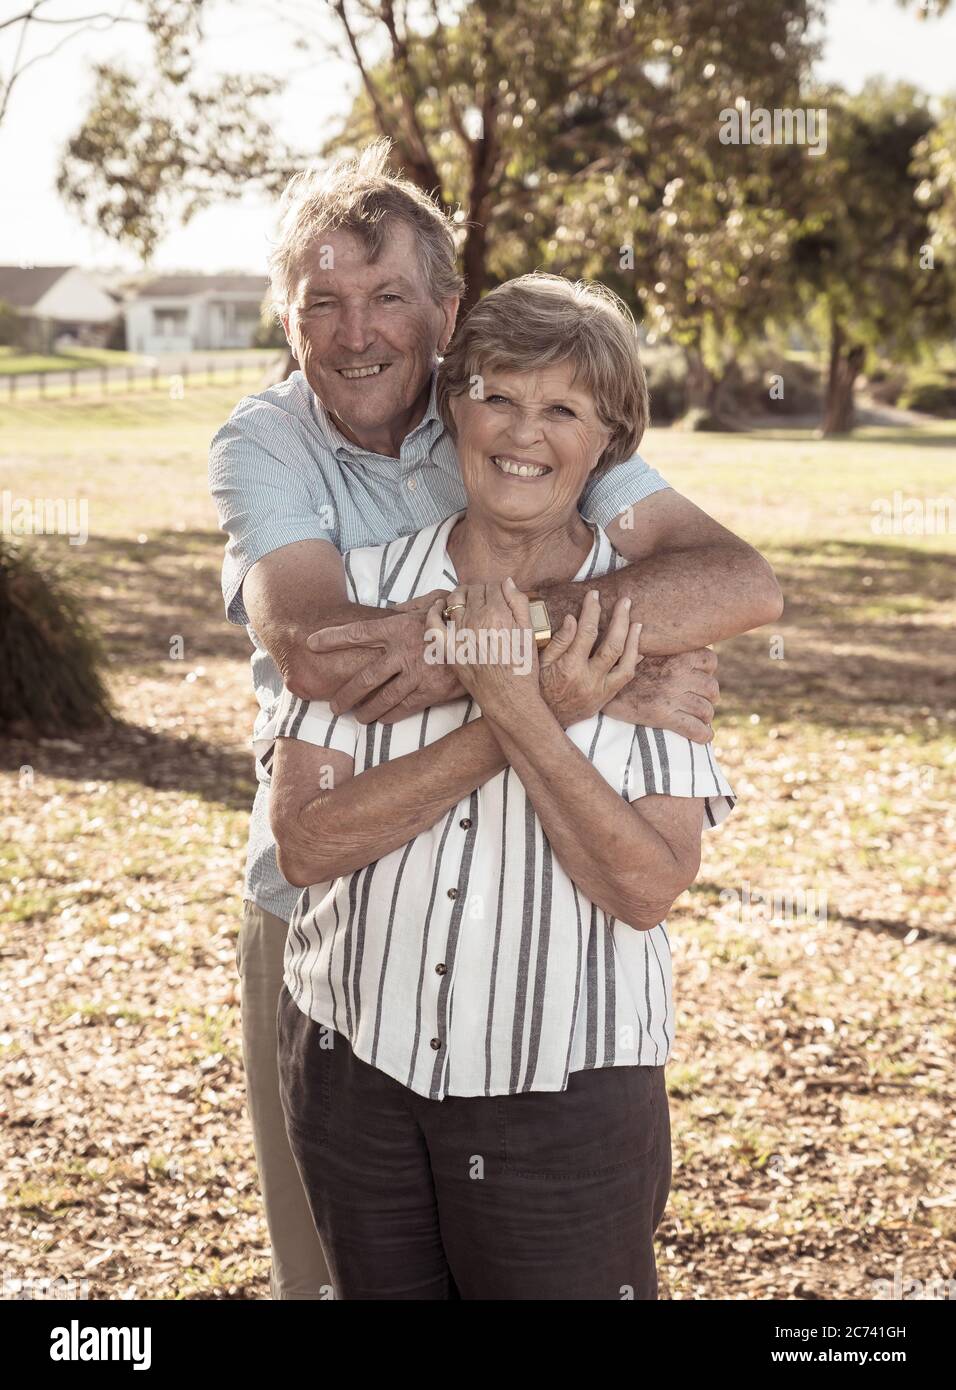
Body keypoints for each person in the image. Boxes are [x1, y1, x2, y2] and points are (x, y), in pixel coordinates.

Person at [208, 141, 782, 1300]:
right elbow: (322, 651)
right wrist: (555, 679)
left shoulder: (528, 415)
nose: (355, 331)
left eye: (387, 298)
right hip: (336, 953)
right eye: (322, 301)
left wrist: (539, 650)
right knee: (325, 1273)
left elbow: (733, 585)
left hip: (552, 1051)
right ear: (286, 320)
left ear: (444, 313)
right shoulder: (267, 445)